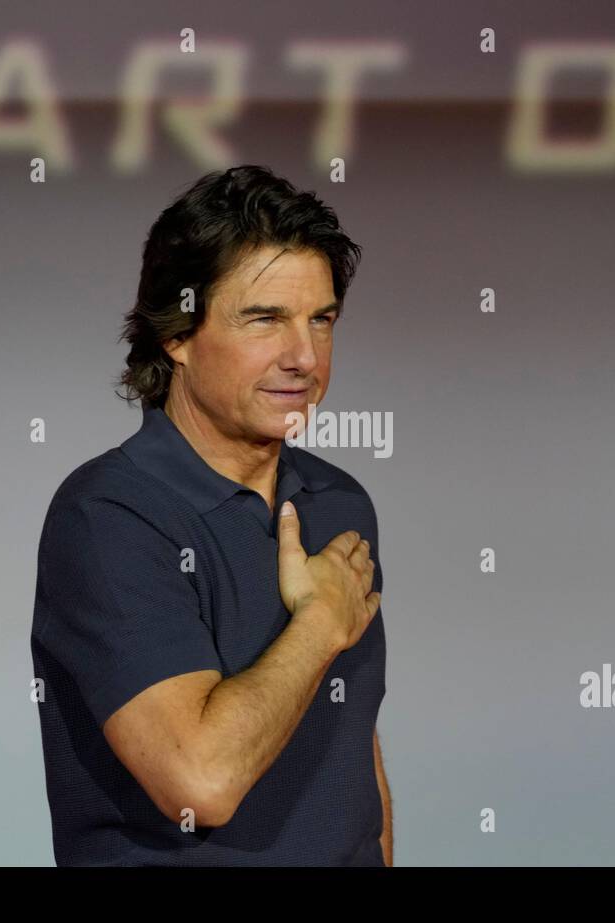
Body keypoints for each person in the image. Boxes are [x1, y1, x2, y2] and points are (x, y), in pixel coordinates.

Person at [30, 165, 391, 865]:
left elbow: (354, 753)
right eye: (265, 320)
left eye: (321, 320)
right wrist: (318, 624)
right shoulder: (107, 516)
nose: (304, 358)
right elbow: (203, 783)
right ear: (177, 334)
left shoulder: (341, 503)